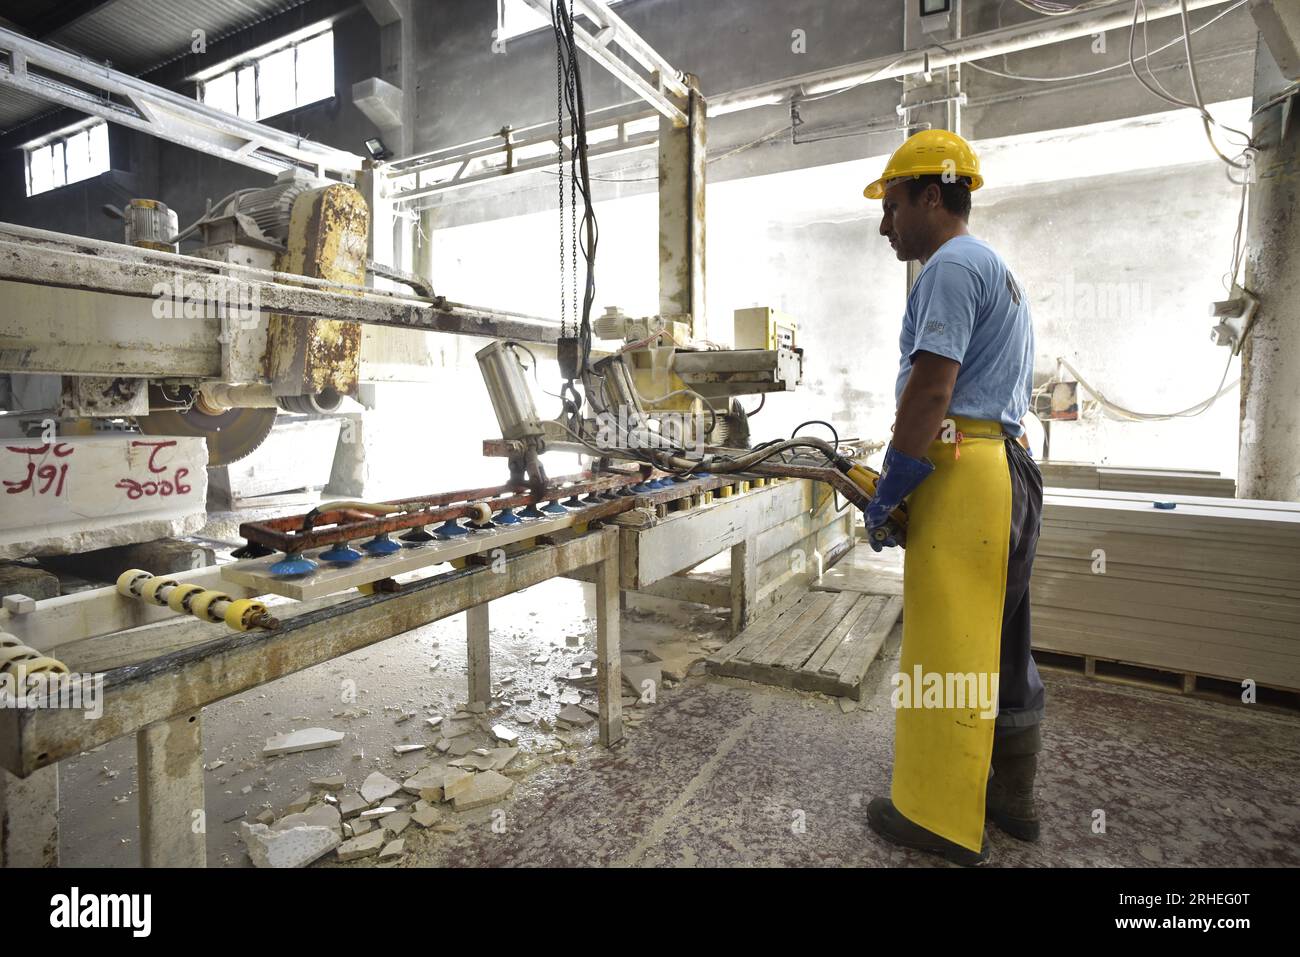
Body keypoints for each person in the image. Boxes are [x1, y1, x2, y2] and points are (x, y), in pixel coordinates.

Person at [860, 129, 1045, 866]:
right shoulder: (993, 267)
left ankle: (936, 814)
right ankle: (1011, 798)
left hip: (966, 474)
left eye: (893, 205)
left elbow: (934, 387)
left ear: (931, 197)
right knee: (1000, 644)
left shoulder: (949, 266)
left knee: (946, 648)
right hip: (1007, 467)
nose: (886, 224)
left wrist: (894, 479)